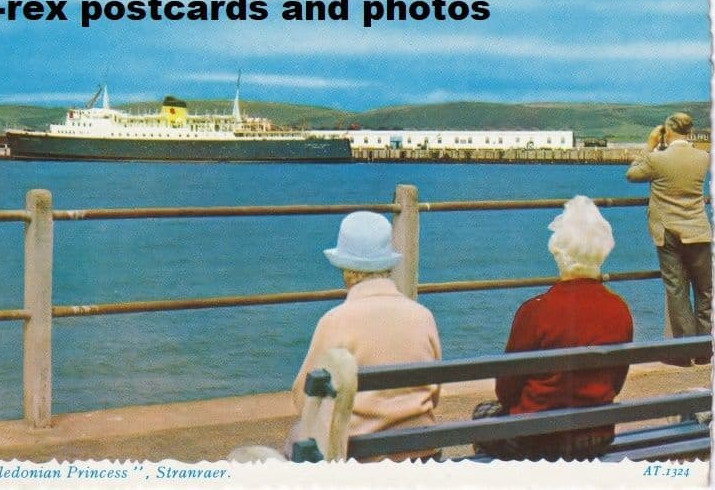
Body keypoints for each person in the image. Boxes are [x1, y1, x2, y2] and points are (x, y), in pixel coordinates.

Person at [473, 196, 634, 461]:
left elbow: (506, 390)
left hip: (538, 440)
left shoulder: (535, 310)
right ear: (602, 252)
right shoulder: (620, 309)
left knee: (481, 416)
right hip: (597, 435)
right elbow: (615, 383)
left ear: (558, 253)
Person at [290, 211, 442, 462]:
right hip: (422, 456)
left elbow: (305, 398)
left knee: (295, 436)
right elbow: (433, 394)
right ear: (388, 265)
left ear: (345, 268)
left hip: (360, 459)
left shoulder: (335, 321)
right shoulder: (423, 316)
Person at [625, 113, 712, 359]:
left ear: (668, 132)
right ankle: (706, 349)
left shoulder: (657, 159)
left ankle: (683, 352)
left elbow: (632, 174)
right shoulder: (703, 157)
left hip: (668, 232)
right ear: (690, 132)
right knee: (705, 291)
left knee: (677, 290)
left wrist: (650, 144)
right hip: (698, 230)